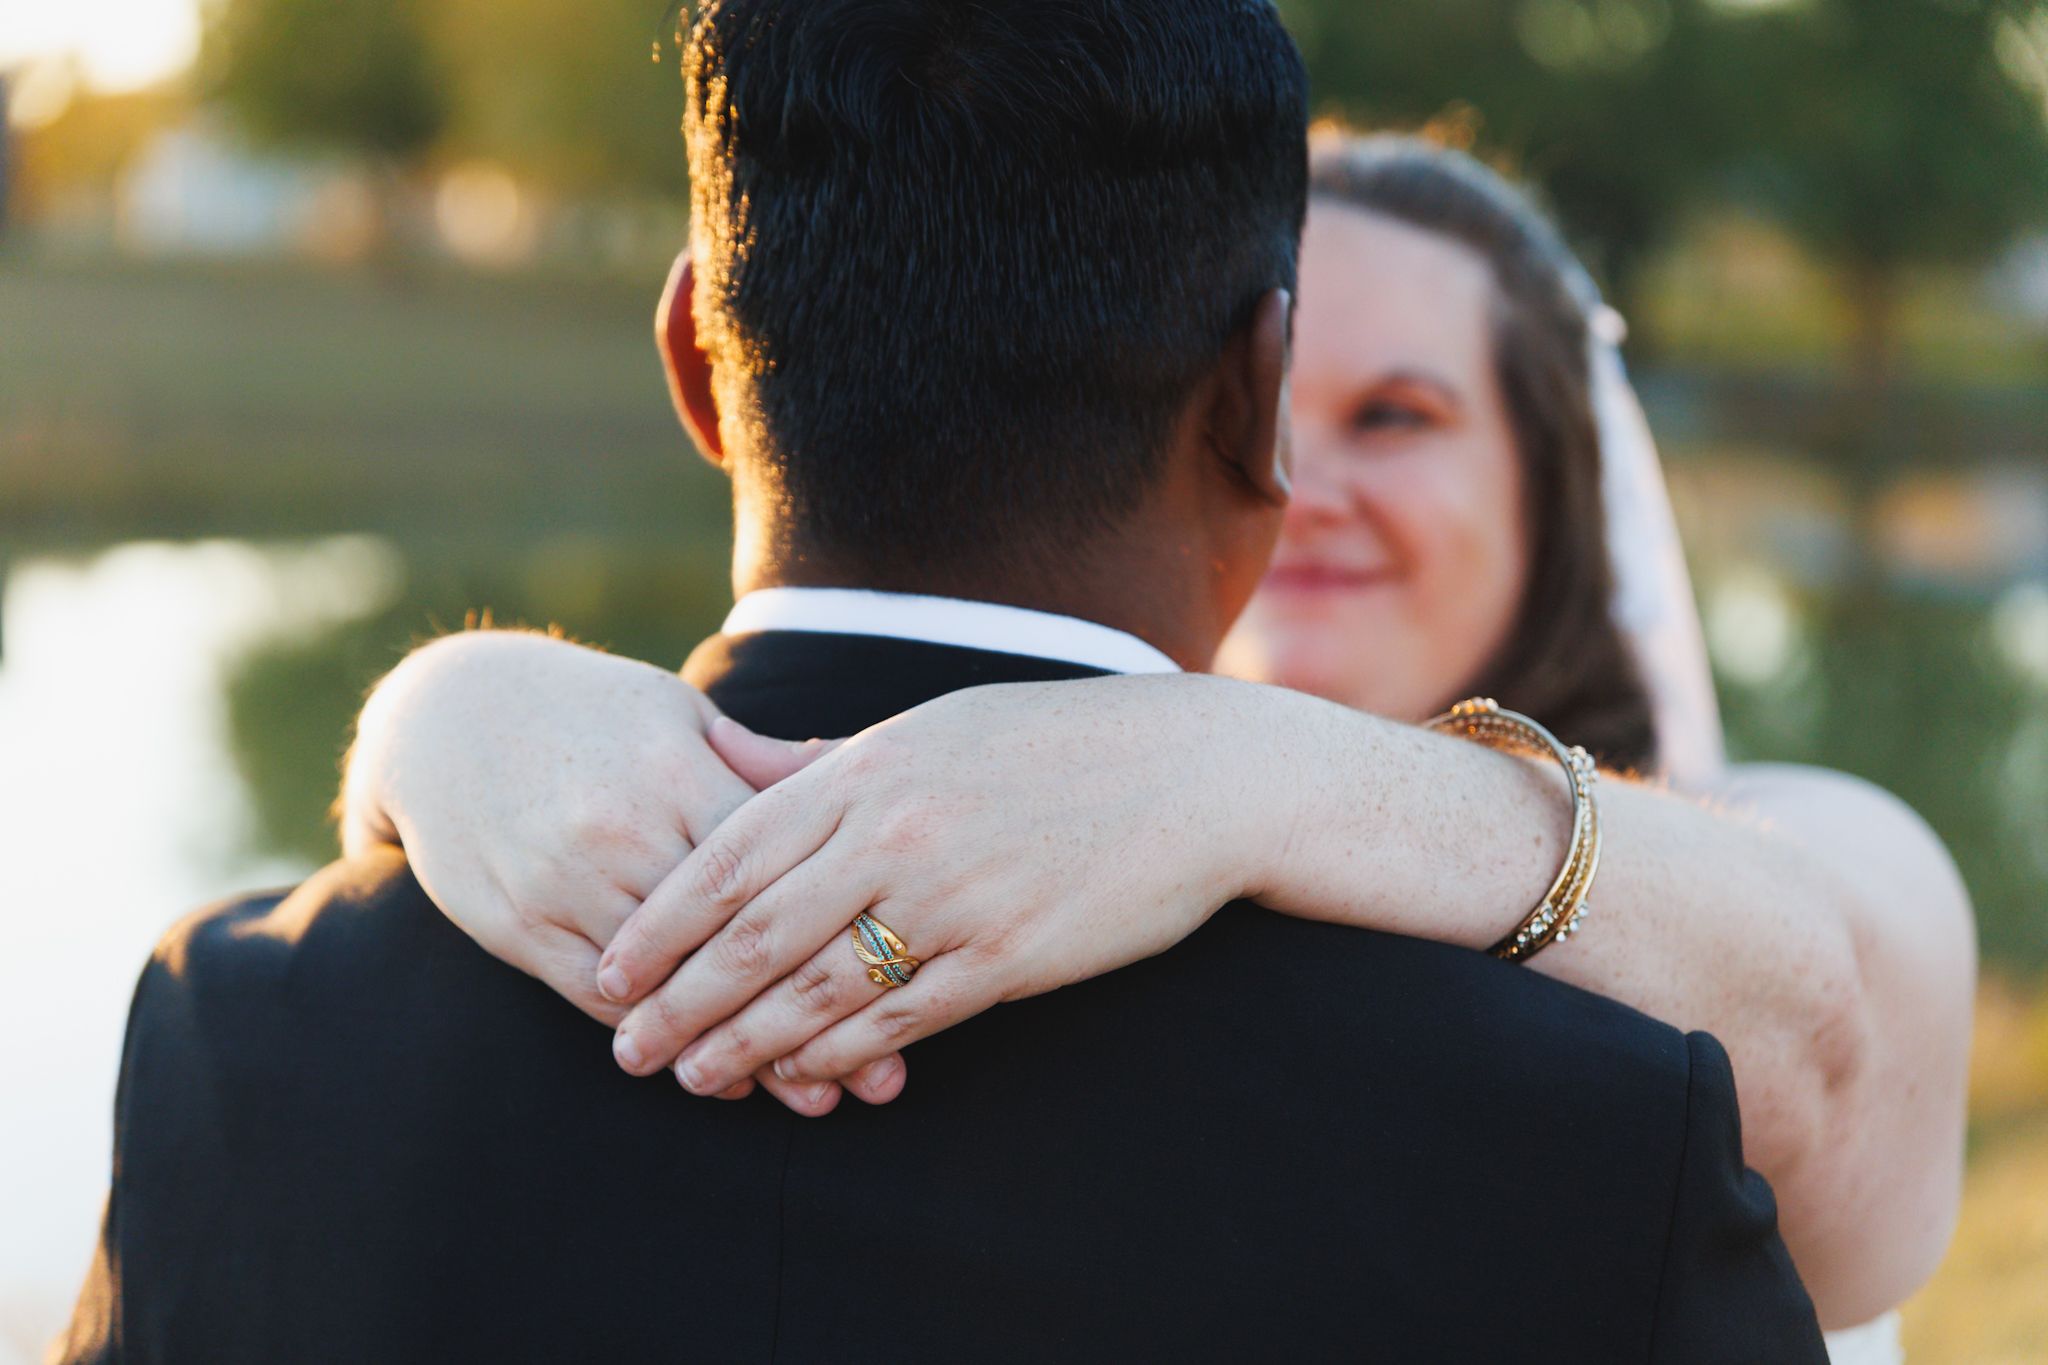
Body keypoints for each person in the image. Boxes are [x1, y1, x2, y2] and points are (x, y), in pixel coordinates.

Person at [62, 4, 1827, 1359]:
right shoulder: (1589, 1125)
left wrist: (421, 708)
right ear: (1260, 395)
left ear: (696, 357)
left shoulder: (244, 1030)